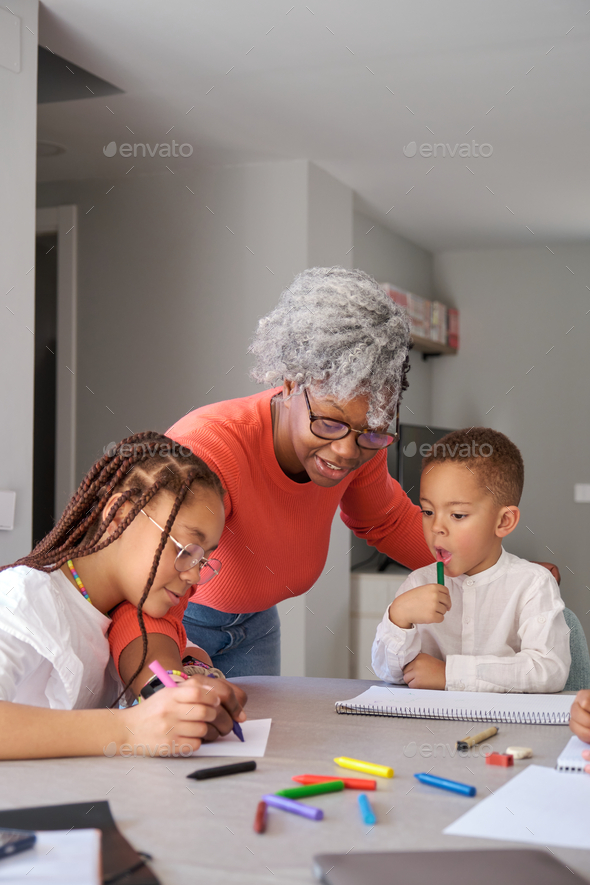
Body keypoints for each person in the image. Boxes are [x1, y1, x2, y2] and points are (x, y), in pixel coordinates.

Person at [108, 267, 433, 682]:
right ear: (290, 383)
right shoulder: (211, 449)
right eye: (330, 423)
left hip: (257, 626)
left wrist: (492, 565)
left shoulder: (360, 443)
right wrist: (166, 689)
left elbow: (386, 520)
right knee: (188, 732)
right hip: (180, 623)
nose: (347, 451)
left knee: (257, 742)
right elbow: (146, 593)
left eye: (371, 432)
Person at [0, 432, 246, 759]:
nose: (194, 575)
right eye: (187, 549)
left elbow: (181, 657)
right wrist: (129, 728)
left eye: (203, 559)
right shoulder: (25, 596)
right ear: (118, 514)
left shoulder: (121, 612)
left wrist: (194, 686)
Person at [371, 427, 571, 692]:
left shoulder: (533, 584)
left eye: (458, 515)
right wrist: (398, 618)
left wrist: (450, 674)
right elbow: (389, 673)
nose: (436, 528)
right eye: (428, 511)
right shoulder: (418, 582)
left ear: (503, 521)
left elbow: (549, 670)